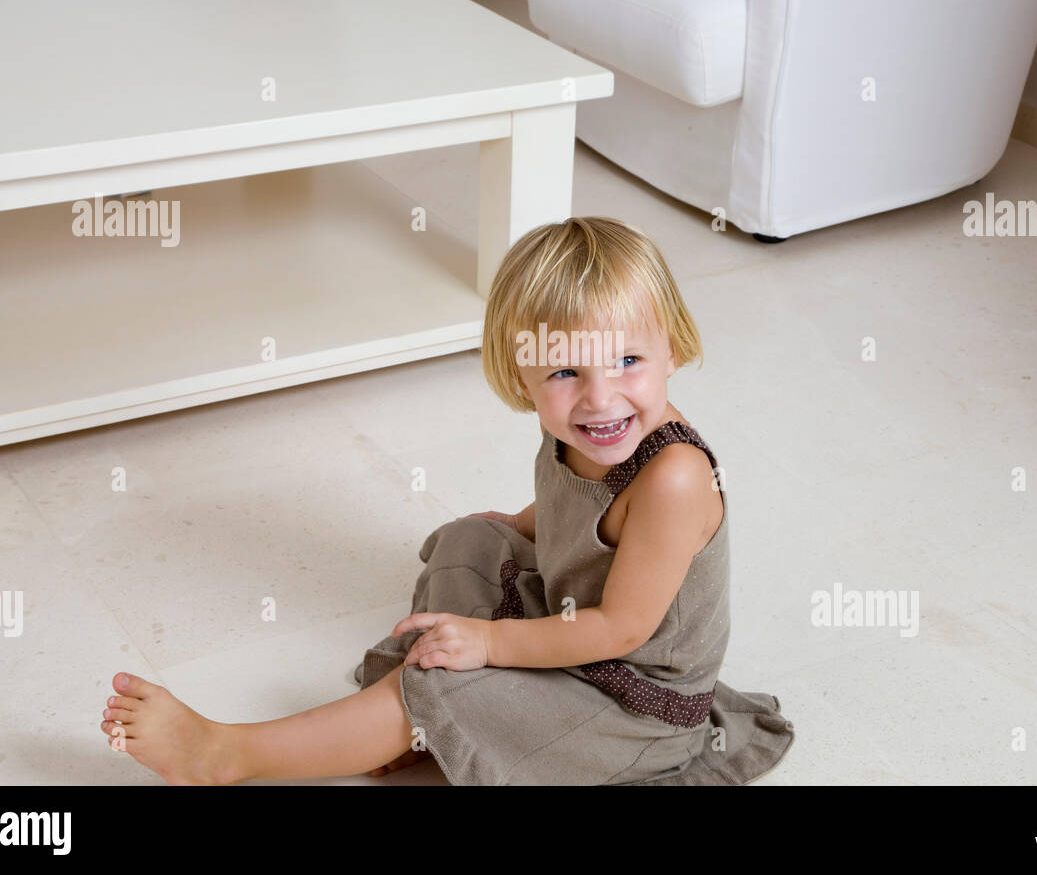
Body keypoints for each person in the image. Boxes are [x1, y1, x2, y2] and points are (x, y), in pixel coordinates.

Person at [99, 215, 794, 785]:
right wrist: (518, 527)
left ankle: (227, 754)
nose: (601, 395)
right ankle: (434, 706)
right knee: (470, 538)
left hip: (629, 705)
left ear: (671, 349)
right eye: (564, 370)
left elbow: (617, 630)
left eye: (628, 361)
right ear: (521, 376)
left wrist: (491, 639)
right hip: (573, 624)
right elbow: (573, 518)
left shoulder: (673, 476)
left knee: (442, 684)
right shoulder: (581, 435)